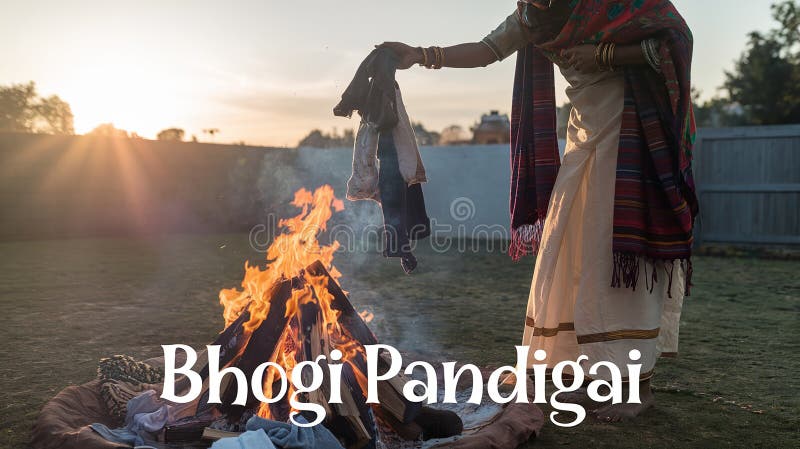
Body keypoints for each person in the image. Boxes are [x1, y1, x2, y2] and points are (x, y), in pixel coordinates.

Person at [379, 0, 698, 422]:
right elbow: (485, 49)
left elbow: (676, 39)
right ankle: (601, 377)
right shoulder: (533, 17)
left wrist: (605, 54)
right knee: (577, 258)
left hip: (632, 136)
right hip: (583, 138)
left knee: (617, 256)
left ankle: (638, 388)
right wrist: (421, 55)